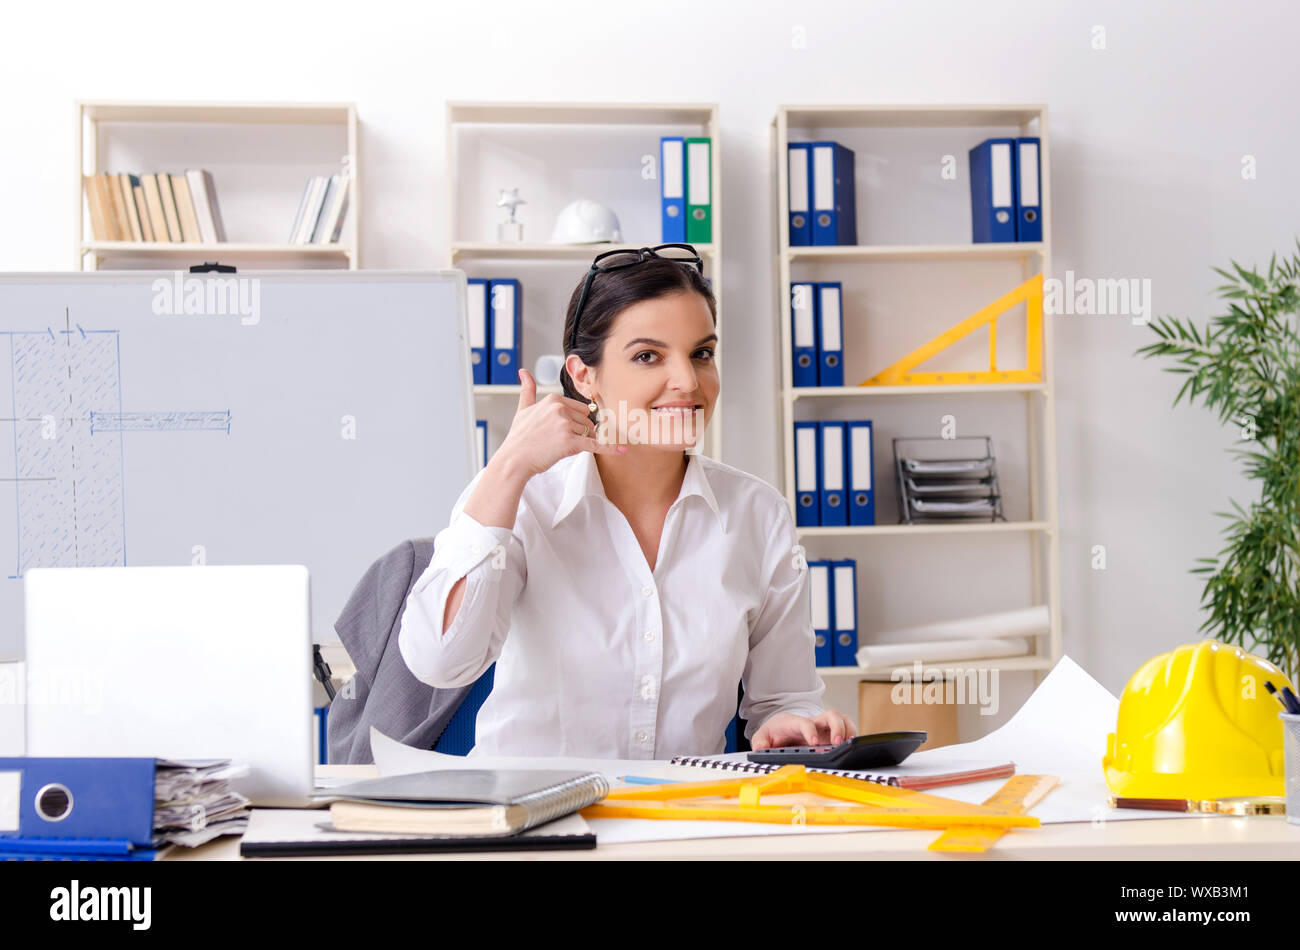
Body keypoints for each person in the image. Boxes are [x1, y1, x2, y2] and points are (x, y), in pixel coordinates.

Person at [398, 244, 857, 758]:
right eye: (648, 356)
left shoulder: (757, 514)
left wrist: (789, 724)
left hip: (681, 819)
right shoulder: (525, 498)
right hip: (534, 817)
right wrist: (509, 466)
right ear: (584, 376)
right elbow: (438, 663)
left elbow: (784, 699)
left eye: (702, 353)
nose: (687, 381)